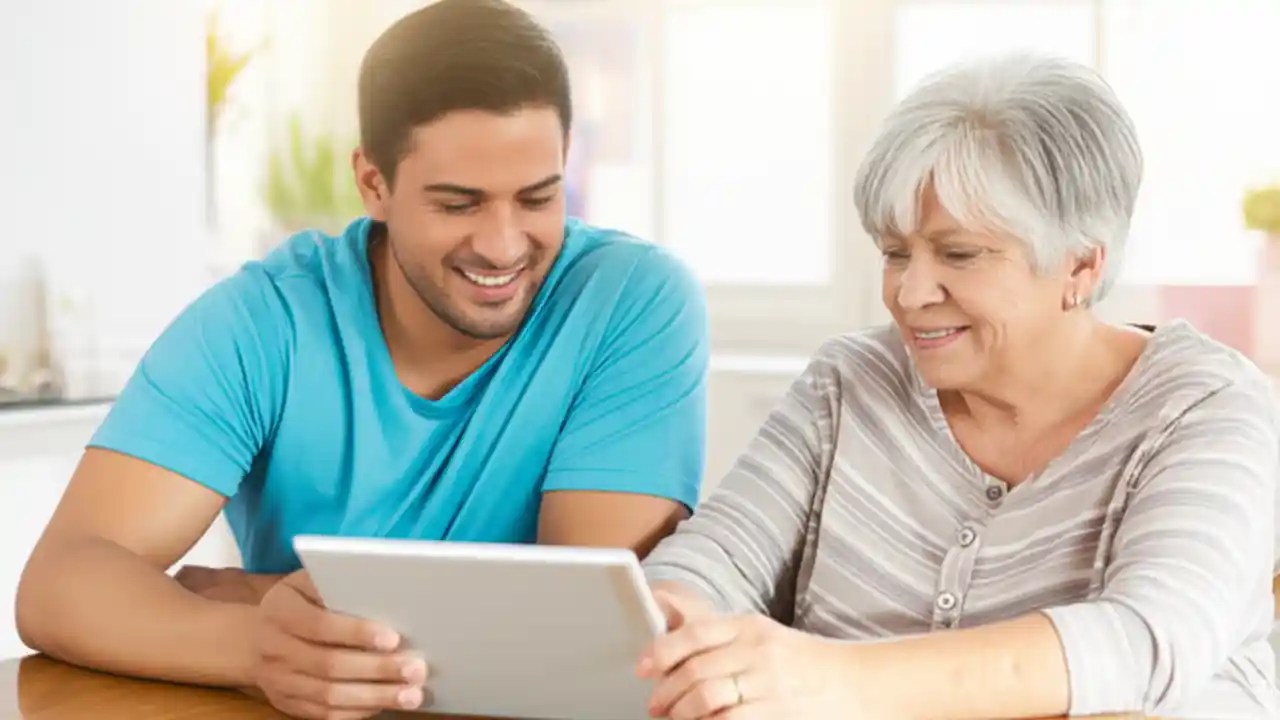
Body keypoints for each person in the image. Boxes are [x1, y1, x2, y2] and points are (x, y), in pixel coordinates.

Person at [16, 2, 707, 718]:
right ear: (373, 183)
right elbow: (61, 583)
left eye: (537, 198)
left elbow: (586, 646)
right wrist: (255, 641)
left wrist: (279, 599)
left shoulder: (630, 302)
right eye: (458, 204)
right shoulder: (264, 322)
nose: (503, 246)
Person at [638, 54, 1279, 720]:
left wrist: (828, 680)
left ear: (1082, 266)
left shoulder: (1205, 404)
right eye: (894, 252)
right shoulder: (849, 382)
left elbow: (1148, 641)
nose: (910, 294)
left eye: (960, 254)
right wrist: (669, 614)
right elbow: (718, 557)